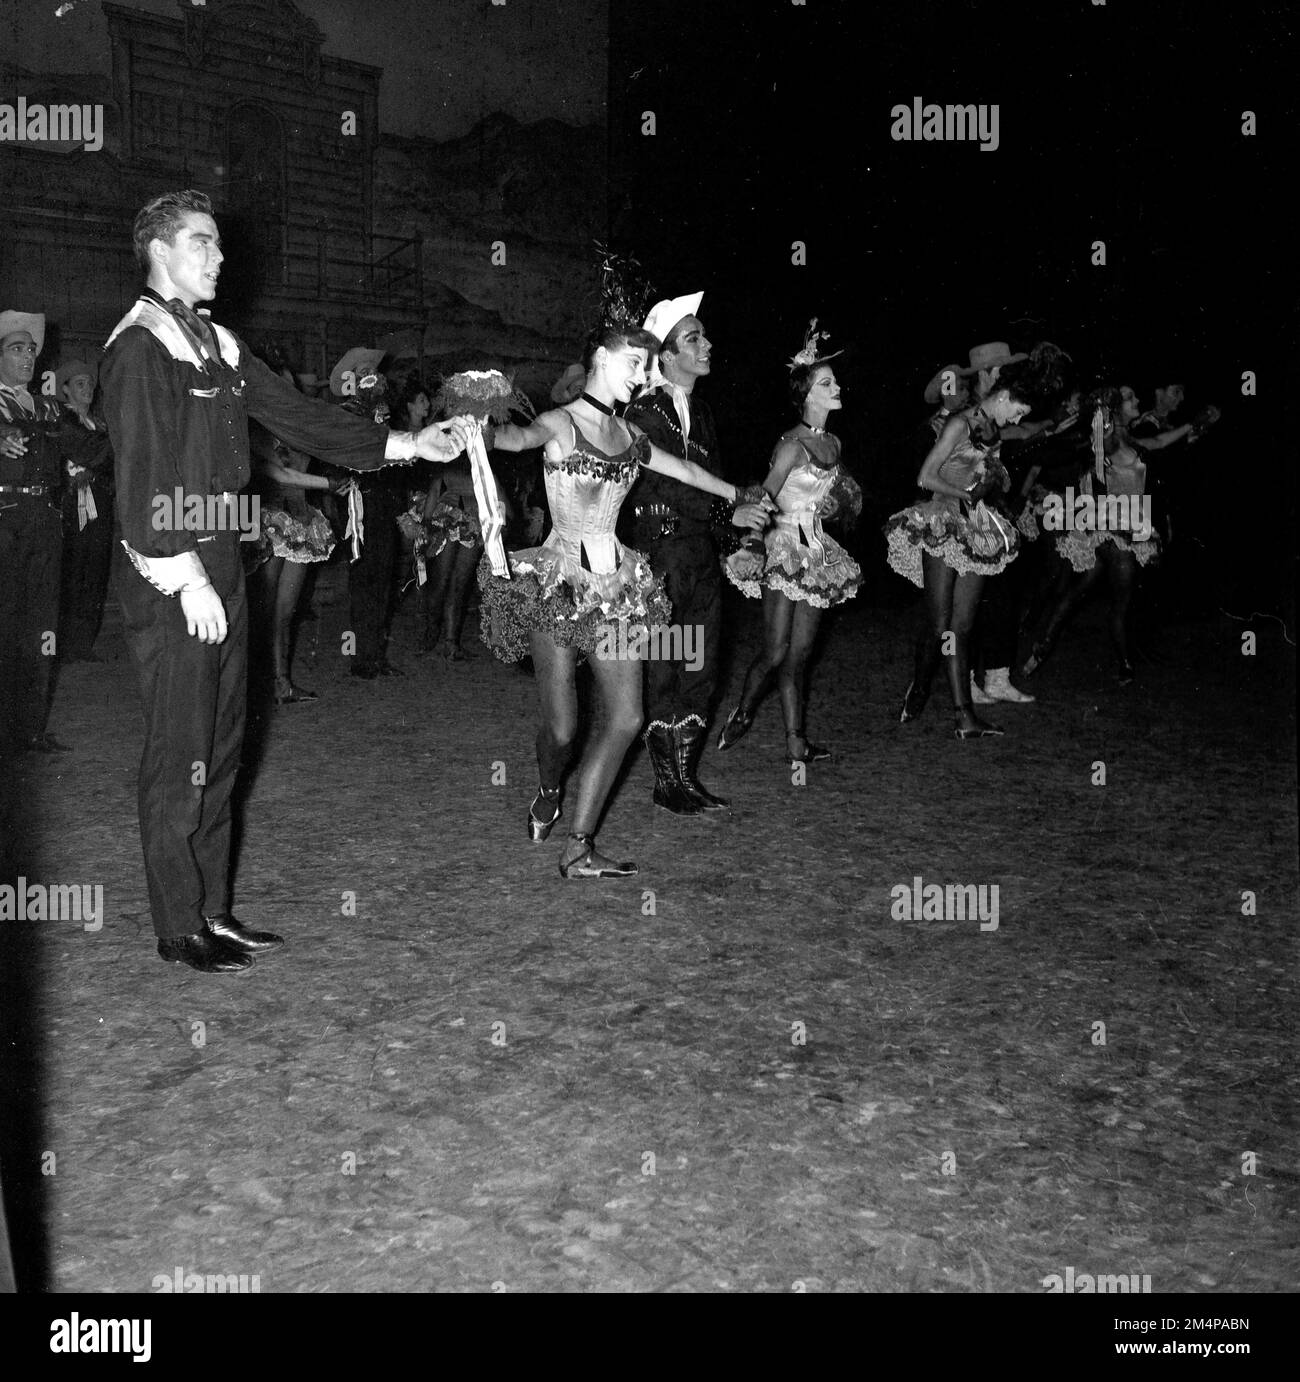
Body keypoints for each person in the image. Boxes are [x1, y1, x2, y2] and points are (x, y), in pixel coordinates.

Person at [99, 189, 470, 972]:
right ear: (159, 250)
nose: (219, 256)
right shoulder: (141, 346)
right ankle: (177, 924)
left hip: (226, 561)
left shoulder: (220, 345)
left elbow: (303, 418)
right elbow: (139, 481)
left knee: (225, 740)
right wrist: (184, 577)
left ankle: (214, 908)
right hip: (174, 567)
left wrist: (407, 445)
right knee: (181, 745)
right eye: (202, 243)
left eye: (218, 243)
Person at [478, 322, 762, 878]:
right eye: (635, 364)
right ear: (603, 361)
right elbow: (514, 440)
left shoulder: (630, 435)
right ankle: (549, 785)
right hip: (558, 584)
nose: (643, 375)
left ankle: (579, 846)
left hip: (616, 590)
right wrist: (477, 421)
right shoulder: (560, 423)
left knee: (628, 717)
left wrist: (740, 498)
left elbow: (683, 469)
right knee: (563, 729)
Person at [625, 291, 770, 811]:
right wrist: (725, 514)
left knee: (699, 667)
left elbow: (711, 484)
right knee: (663, 669)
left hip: (697, 559)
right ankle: (668, 783)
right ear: (665, 355)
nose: (707, 344)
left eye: (704, 335)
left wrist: (735, 538)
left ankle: (683, 779)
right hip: (659, 558)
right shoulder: (643, 412)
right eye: (694, 338)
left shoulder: (701, 412)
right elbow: (662, 481)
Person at [718, 320, 862, 763]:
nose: (837, 386)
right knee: (776, 650)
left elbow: (839, 493)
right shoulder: (790, 447)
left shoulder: (833, 442)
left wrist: (840, 505)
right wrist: (750, 544)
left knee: (800, 654)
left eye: (834, 380)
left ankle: (796, 742)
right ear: (806, 395)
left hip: (817, 552)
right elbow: (763, 496)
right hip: (784, 549)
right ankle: (743, 711)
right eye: (827, 382)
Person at [884, 363, 1035, 738]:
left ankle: (963, 716)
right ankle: (919, 684)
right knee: (939, 624)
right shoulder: (958, 424)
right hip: (942, 519)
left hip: (976, 526)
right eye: (1016, 409)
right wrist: (967, 494)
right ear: (1001, 397)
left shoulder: (991, 429)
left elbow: (987, 471)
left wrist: (989, 484)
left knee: (962, 626)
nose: (1016, 417)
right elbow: (926, 477)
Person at [0, 310, 106, 756]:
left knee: (41, 626)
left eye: (30, 349)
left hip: (45, 521)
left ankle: (30, 729)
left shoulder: (47, 408)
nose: (27, 357)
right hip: (5, 519)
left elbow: (93, 449)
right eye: (15, 348)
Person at [1022, 385, 1166, 685]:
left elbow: (1158, 441)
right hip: (1116, 532)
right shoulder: (1107, 439)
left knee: (1081, 589)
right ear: (1113, 410)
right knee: (1119, 603)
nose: (1138, 399)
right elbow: (1091, 457)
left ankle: (1044, 644)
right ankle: (1125, 665)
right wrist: (1096, 423)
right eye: (1130, 398)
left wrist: (1192, 426)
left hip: (1121, 526)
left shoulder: (1125, 436)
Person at [246, 421, 347, 703]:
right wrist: (327, 483)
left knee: (285, 610)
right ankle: (261, 683)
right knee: (264, 610)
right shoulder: (258, 433)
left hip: (301, 521)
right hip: (270, 520)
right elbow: (280, 475)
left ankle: (281, 683)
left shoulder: (298, 429)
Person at [55, 359, 115, 664]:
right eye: (80, 384)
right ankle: (64, 644)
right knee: (73, 570)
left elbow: (109, 466)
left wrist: (96, 475)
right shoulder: (62, 421)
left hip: (99, 506)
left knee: (96, 572)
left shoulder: (99, 424)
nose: (87, 389)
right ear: (65, 389)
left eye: (90, 384)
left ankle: (83, 644)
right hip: (71, 505)